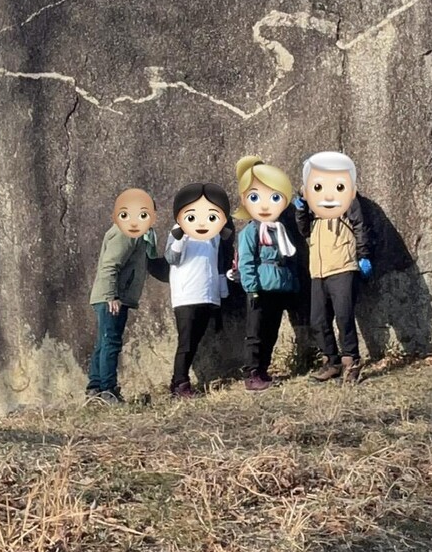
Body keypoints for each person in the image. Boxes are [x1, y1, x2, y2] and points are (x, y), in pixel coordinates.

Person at [293, 151, 372, 383]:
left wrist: (364, 255)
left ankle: (351, 362)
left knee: (344, 316)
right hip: (318, 270)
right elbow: (305, 231)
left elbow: (359, 225)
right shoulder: (312, 204)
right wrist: (300, 209)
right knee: (318, 320)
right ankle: (332, 361)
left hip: (342, 265)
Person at [85, 188, 158, 405]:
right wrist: (111, 296)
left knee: (104, 341)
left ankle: (96, 388)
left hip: (115, 296)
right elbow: (110, 265)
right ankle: (107, 390)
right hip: (112, 297)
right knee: (111, 342)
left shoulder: (138, 234)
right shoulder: (127, 232)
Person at [234, 156, 300, 391]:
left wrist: (292, 284)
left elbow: (289, 257)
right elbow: (247, 261)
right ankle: (251, 373)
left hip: (279, 288)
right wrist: (251, 289)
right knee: (256, 333)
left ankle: (263, 370)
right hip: (260, 289)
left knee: (270, 332)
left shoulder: (281, 229)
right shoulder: (251, 230)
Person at [165, 183, 233, 397]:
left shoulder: (213, 235)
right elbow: (171, 258)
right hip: (186, 296)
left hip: (208, 295)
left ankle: (177, 381)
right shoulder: (178, 233)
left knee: (194, 342)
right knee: (186, 342)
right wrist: (182, 235)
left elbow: (219, 261)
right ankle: (181, 384)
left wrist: (222, 290)